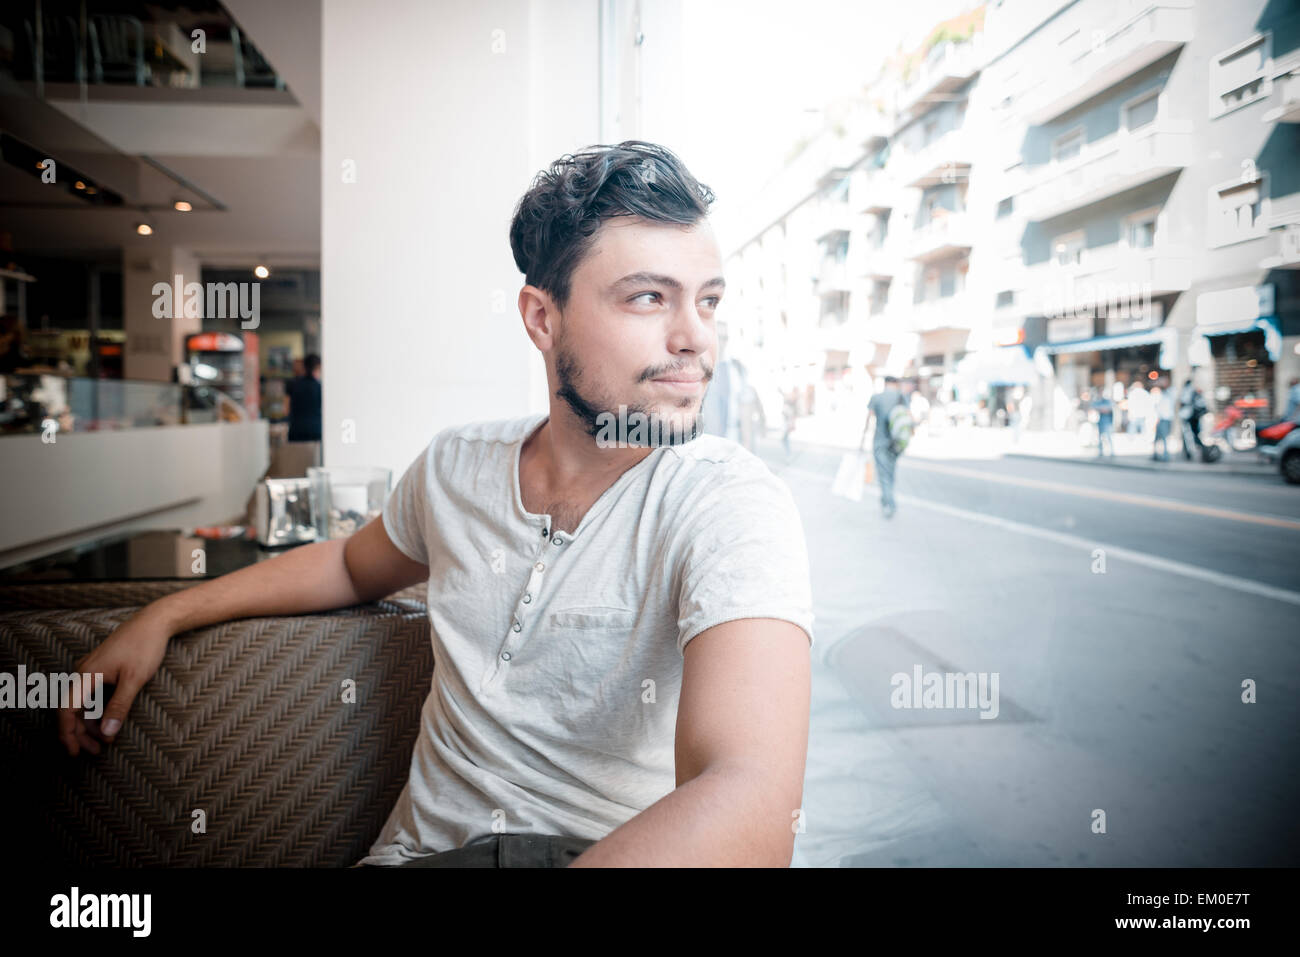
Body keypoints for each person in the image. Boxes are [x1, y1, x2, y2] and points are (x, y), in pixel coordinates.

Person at [56, 141, 815, 869]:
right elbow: (351, 566)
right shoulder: (457, 466)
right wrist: (167, 614)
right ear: (541, 318)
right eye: (649, 297)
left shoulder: (728, 504)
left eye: (707, 302)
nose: (695, 340)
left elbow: (749, 798)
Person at [859, 375, 905, 518]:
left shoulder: (877, 397)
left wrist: (862, 439)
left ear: (885, 383)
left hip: (879, 441)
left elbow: (869, 418)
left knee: (883, 474)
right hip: (896, 442)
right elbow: (907, 417)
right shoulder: (900, 397)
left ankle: (888, 501)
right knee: (891, 471)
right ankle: (888, 498)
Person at [284, 353, 322, 442]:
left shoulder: (293, 385)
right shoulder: (319, 387)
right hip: (315, 431)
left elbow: (286, 410)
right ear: (318, 367)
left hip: (296, 431)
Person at [1178, 378, 1207, 459]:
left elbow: (1183, 402)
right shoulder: (1195, 391)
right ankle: (1200, 452)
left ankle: (1191, 453)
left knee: (1189, 436)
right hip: (1194, 416)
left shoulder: (1186, 391)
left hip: (1188, 417)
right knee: (1196, 435)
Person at [1152, 382, 1174, 462]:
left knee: (1162, 439)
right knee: (1160, 439)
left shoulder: (1164, 398)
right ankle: (1158, 455)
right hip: (1167, 419)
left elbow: (1159, 410)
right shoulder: (1168, 397)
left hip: (1163, 420)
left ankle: (1164, 456)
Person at [1091, 389, 1115, 457]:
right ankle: (1100, 451)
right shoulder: (1097, 401)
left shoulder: (1107, 401)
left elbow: (1108, 409)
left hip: (1107, 422)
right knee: (1099, 438)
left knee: (1108, 436)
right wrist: (1101, 409)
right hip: (1099, 421)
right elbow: (1093, 407)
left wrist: (1100, 409)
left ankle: (1112, 451)